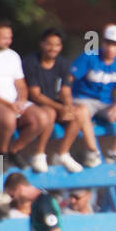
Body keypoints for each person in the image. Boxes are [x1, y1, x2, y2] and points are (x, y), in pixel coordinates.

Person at [0, 19, 53, 172]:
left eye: (10, 37)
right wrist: (7, 104)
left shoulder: (13, 56)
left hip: (12, 102)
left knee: (42, 117)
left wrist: (22, 100)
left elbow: (21, 84)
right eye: (4, 37)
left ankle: (15, 150)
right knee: (8, 117)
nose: (8, 41)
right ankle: (2, 153)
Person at [67, 23, 116, 169]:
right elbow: (68, 80)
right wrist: (66, 102)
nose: (111, 48)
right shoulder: (89, 57)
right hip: (83, 98)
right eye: (108, 43)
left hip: (105, 102)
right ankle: (93, 152)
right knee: (82, 111)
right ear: (103, 42)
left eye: (115, 44)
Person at [23, 27, 89, 174]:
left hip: (55, 105)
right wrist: (61, 108)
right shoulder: (31, 62)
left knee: (80, 111)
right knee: (50, 112)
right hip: (34, 107)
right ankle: (38, 154)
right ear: (42, 44)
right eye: (49, 44)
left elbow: (65, 91)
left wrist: (68, 107)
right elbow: (35, 95)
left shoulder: (63, 64)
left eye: (57, 45)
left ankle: (63, 153)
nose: (53, 48)